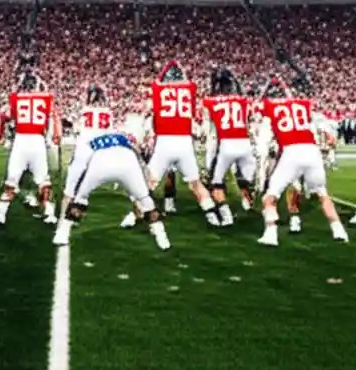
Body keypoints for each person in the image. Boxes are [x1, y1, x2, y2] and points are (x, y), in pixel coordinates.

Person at [54, 86, 171, 250]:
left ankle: (63, 231)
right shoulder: (117, 129)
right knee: (146, 201)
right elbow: (138, 156)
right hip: (127, 160)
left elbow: (82, 155)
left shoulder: (86, 121)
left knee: (78, 199)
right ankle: (161, 236)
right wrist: (147, 179)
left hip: (98, 159)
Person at [121, 60, 219, 227]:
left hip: (165, 141)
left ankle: (132, 216)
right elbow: (189, 85)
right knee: (196, 184)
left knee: (148, 184)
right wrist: (178, 67)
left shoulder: (158, 88)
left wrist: (169, 66)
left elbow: (157, 82)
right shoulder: (190, 88)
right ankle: (213, 218)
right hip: (184, 142)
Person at [255, 77, 348, 246]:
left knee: (269, 197)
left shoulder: (270, 107)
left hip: (291, 151)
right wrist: (329, 136)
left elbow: (259, 119)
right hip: (312, 151)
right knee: (322, 194)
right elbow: (322, 124)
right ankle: (338, 230)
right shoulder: (302, 105)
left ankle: (270, 233)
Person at [0, 69, 61, 227]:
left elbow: (5, 116)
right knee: (44, 181)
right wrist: (56, 133)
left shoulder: (15, 97)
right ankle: (50, 214)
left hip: (20, 141)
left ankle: (0, 216)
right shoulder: (46, 98)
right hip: (37, 141)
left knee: (11, 182)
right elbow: (55, 115)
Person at [200, 67, 256, 226]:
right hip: (245, 144)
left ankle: (226, 216)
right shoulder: (242, 101)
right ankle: (249, 202)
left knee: (215, 182)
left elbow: (208, 118)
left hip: (225, 144)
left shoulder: (210, 101)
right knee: (245, 179)